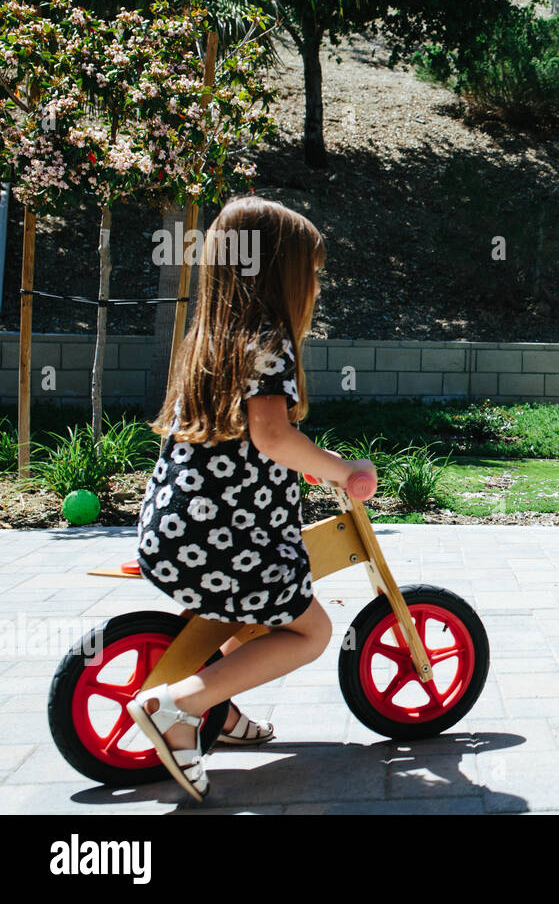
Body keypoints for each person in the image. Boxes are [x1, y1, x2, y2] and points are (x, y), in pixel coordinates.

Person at [127, 196, 377, 801]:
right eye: (310, 272)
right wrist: (343, 469)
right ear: (281, 274)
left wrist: (301, 468)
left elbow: (249, 441)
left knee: (252, 610)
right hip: (227, 544)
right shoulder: (270, 340)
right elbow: (271, 432)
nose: (314, 285)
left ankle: (224, 713)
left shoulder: (206, 341)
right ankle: (180, 705)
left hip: (172, 531)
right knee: (309, 632)